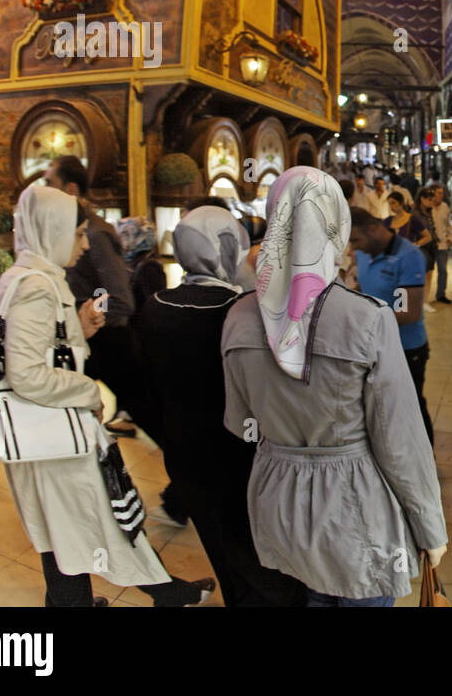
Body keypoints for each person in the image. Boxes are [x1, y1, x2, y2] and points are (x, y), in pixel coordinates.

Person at [222, 168, 447, 606]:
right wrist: (430, 528)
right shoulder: (367, 318)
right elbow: (399, 440)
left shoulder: (238, 318)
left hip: (277, 500)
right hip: (352, 504)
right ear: (337, 226)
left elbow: (240, 422)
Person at [0, 185, 214, 606]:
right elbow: (26, 374)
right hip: (50, 433)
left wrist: (78, 326)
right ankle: (161, 592)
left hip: (43, 435)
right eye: (77, 234)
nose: (82, 244)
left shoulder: (28, 277)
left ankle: (95, 598)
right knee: (96, 517)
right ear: (52, 230)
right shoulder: (35, 286)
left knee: (64, 526)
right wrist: (86, 390)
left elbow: (42, 348)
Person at [142, 207, 305, 606]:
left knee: (220, 546)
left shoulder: (156, 305)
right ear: (228, 246)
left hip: (184, 452)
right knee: (258, 557)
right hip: (239, 455)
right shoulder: (241, 310)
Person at [44, 157, 147, 441]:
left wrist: (88, 313)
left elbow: (120, 297)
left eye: (50, 183)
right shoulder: (70, 229)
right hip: (87, 336)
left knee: (149, 415)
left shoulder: (95, 233)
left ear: (71, 189)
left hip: (106, 338)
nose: (46, 189)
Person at [347, 206, 434, 443]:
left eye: (356, 240)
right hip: (373, 345)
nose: (353, 247)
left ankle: (425, 460)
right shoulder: (364, 253)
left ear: (374, 230)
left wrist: (363, 320)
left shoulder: (408, 257)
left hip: (406, 348)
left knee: (411, 405)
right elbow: (365, 291)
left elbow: (408, 312)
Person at [116, 217, 164, 329]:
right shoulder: (130, 262)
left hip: (141, 329)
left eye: (125, 234)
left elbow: (154, 305)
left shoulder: (149, 266)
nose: (121, 239)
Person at [412, 189, 440, 310]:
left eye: (432, 200)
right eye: (429, 200)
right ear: (422, 199)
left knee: (429, 273)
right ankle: (419, 301)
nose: (431, 202)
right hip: (420, 245)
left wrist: (436, 238)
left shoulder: (429, 212)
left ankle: (425, 300)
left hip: (431, 245)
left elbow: (432, 228)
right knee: (422, 273)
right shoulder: (415, 214)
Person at [430, 185, 452, 304]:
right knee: (427, 271)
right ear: (433, 194)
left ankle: (441, 294)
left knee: (443, 270)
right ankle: (423, 296)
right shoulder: (427, 207)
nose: (441, 195)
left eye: (442, 193)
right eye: (439, 193)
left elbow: (448, 224)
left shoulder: (445, 207)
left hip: (443, 244)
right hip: (429, 245)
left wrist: (450, 238)